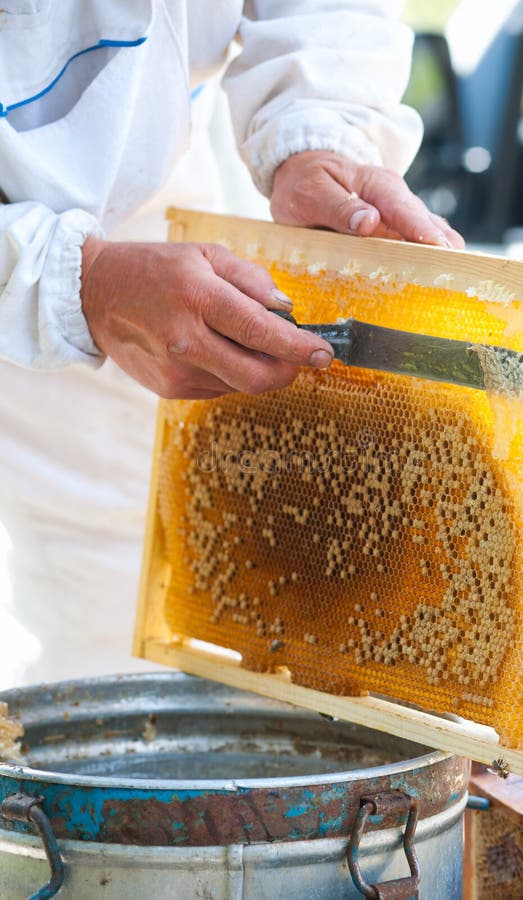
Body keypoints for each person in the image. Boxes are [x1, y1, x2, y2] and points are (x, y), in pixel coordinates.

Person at [0, 1, 464, 687]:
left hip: (149, 217)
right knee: (93, 655)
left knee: (145, 613)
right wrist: (77, 282)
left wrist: (317, 133)